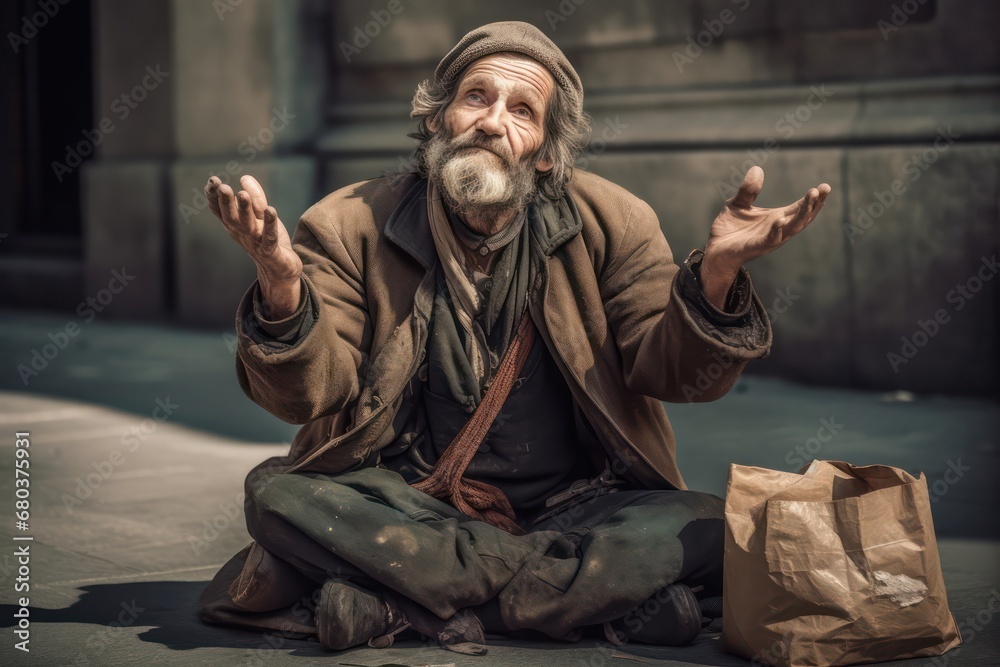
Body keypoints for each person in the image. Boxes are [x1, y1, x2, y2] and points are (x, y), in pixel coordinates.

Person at [197, 21, 831, 655]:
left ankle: (398, 597)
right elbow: (310, 395)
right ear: (439, 119)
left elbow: (666, 370)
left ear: (547, 151)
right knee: (278, 494)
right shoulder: (347, 223)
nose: (492, 121)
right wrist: (283, 289)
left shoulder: (614, 220)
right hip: (406, 501)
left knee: (708, 523)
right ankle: (591, 598)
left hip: (579, 505)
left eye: (522, 110)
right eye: (476, 97)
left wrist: (716, 278)